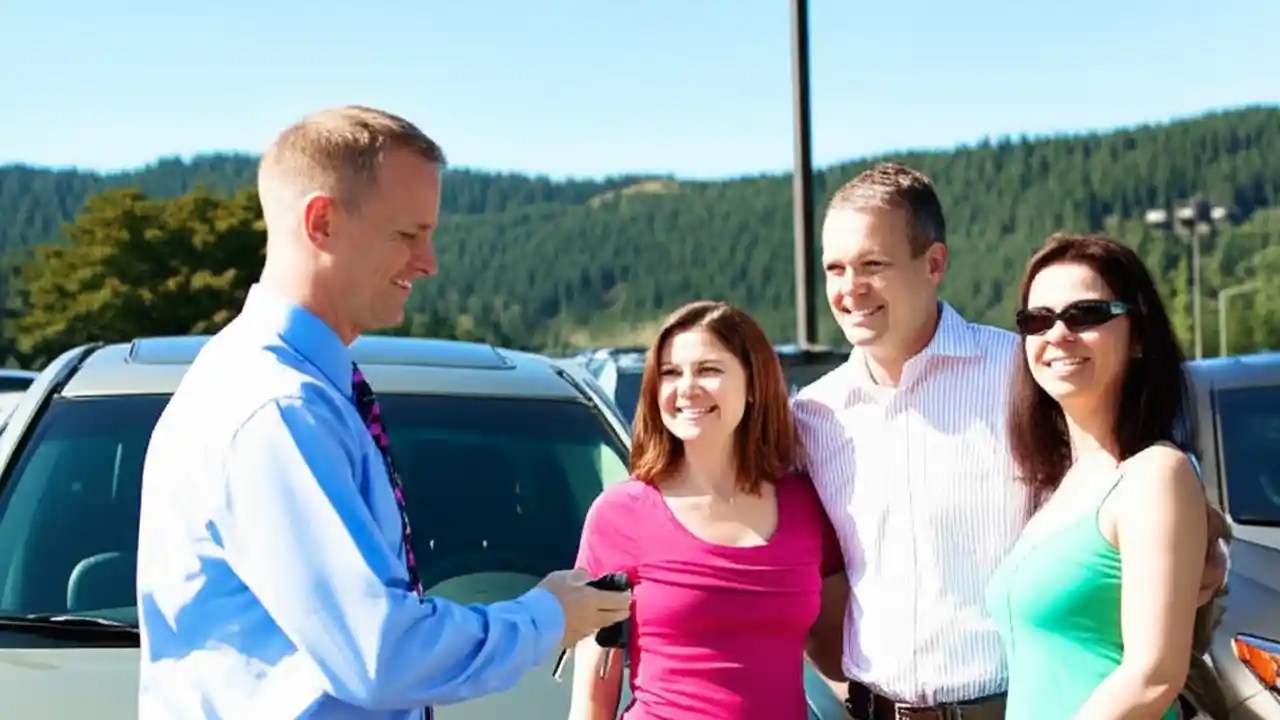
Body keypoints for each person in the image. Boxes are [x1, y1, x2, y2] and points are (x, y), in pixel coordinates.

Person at [135, 105, 631, 720]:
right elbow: (380, 656)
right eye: (406, 235)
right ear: (321, 222)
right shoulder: (279, 408)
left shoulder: (287, 386)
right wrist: (551, 614)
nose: (429, 263)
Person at [791, 162, 1026, 719]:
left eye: (873, 264)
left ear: (934, 263)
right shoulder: (812, 417)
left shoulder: (1021, 376)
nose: (850, 289)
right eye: (836, 268)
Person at [567, 300, 845, 720]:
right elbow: (591, 700)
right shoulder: (619, 515)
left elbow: (844, 658)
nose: (687, 388)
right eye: (670, 373)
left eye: (709, 370)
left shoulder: (808, 504)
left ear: (754, 384)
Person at [984, 232, 1213, 719]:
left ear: (1139, 338)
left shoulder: (1155, 474)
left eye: (1085, 314)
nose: (1057, 334)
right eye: (1037, 320)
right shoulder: (1064, 484)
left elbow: (1153, 675)